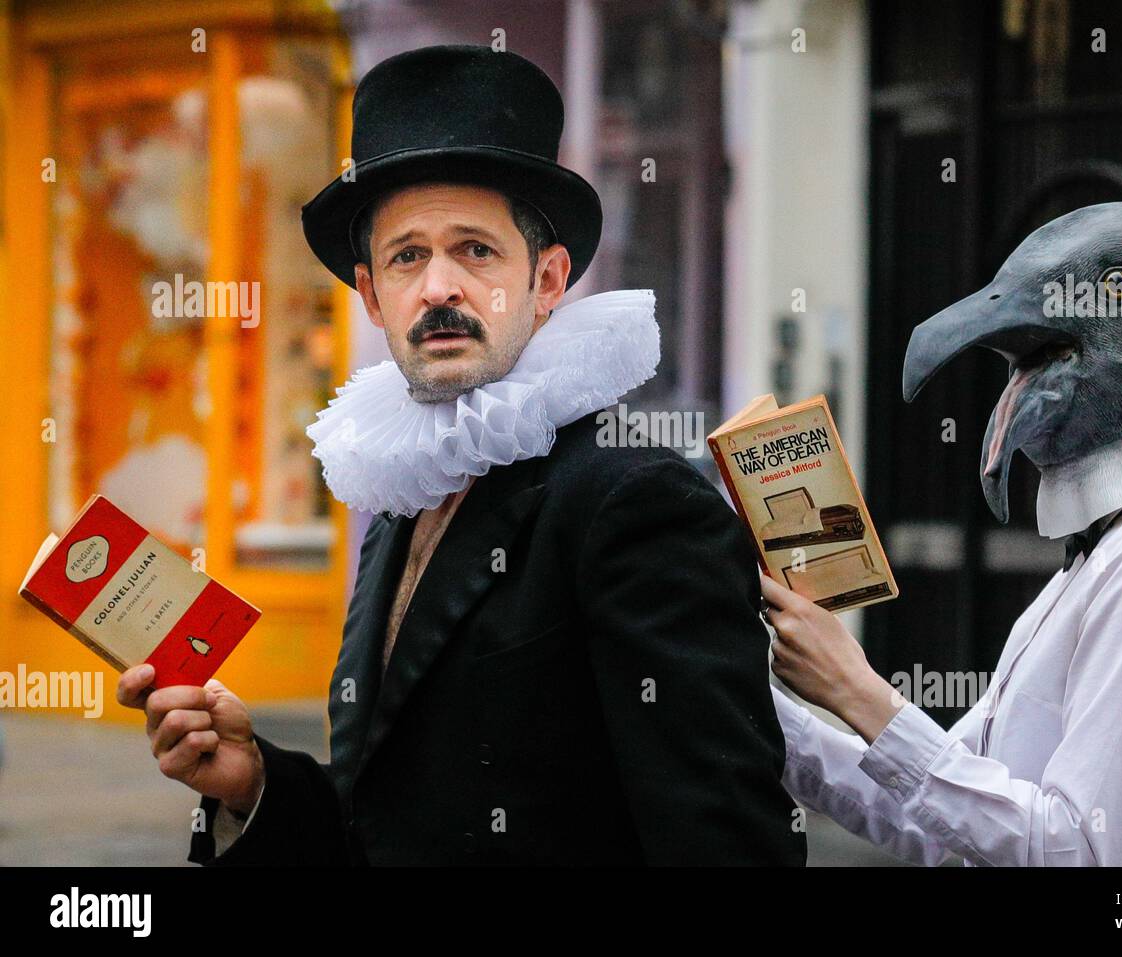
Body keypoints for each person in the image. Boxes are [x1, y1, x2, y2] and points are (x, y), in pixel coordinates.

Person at [116, 44, 805, 866]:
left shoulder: (633, 501)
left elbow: (727, 843)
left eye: (476, 250)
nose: (439, 286)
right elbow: (388, 817)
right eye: (408, 256)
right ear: (372, 294)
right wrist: (251, 784)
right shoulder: (401, 496)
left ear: (548, 282)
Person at [762, 202, 1122, 866]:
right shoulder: (1110, 548)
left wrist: (857, 689)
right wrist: (751, 703)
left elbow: (1075, 850)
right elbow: (936, 812)